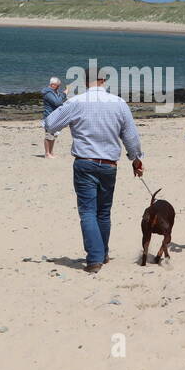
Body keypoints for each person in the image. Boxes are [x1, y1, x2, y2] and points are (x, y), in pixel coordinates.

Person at [44, 67, 143, 273]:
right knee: (103, 212)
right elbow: (131, 137)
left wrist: (68, 121)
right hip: (109, 164)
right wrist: (136, 159)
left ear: (84, 81)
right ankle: (103, 253)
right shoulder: (118, 103)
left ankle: (95, 258)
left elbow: (50, 124)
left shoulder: (76, 102)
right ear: (103, 81)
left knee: (88, 211)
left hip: (85, 161)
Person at [41, 77, 66, 158]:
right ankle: (47, 153)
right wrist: (64, 94)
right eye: (58, 86)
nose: (59, 87)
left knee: (54, 135)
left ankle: (51, 152)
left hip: (55, 116)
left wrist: (62, 94)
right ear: (52, 85)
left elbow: (59, 101)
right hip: (49, 116)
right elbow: (57, 102)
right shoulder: (48, 93)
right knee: (49, 135)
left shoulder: (54, 92)